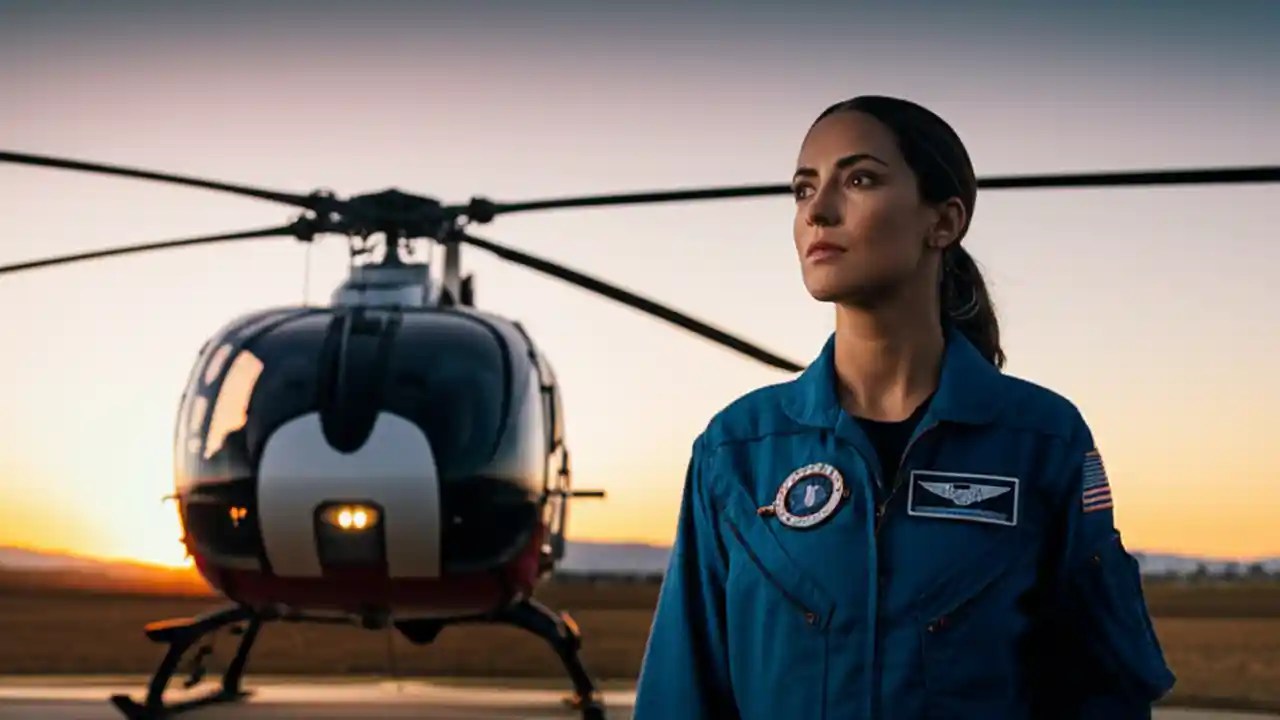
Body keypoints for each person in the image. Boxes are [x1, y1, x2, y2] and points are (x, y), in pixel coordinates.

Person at [633, 95, 1175, 719]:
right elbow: (681, 693)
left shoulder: (1042, 441)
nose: (818, 211)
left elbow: (1103, 692)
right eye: (804, 189)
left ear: (943, 222)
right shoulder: (737, 450)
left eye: (859, 180)